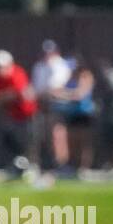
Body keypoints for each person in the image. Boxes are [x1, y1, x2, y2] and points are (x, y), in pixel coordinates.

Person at [0, 49, 38, 178]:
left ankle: (31, 170)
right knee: (9, 142)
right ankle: (16, 169)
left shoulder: (17, 73)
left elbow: (18, 94)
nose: (0, 70)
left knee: (27, 144)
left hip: (27, 116)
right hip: (12, 116)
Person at [31, 39, 73, 171]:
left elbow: (56, 87)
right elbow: (38, 88)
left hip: (58, 104)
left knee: (58, 134)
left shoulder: (61, 65)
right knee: (42, 135)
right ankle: (46, 163)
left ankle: (61, 163)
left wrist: (47, 92)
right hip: (42, 105)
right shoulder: (39, 66)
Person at [51, 58, 96, 173]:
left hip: (84, 113)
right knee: (72, 141)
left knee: (84, 142)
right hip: (72, 114)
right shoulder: (70, 79)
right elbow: (56, 91)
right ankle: (74, 166)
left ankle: (84, 167)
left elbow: (80, 94)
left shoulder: (86, 76)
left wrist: (65, 95)